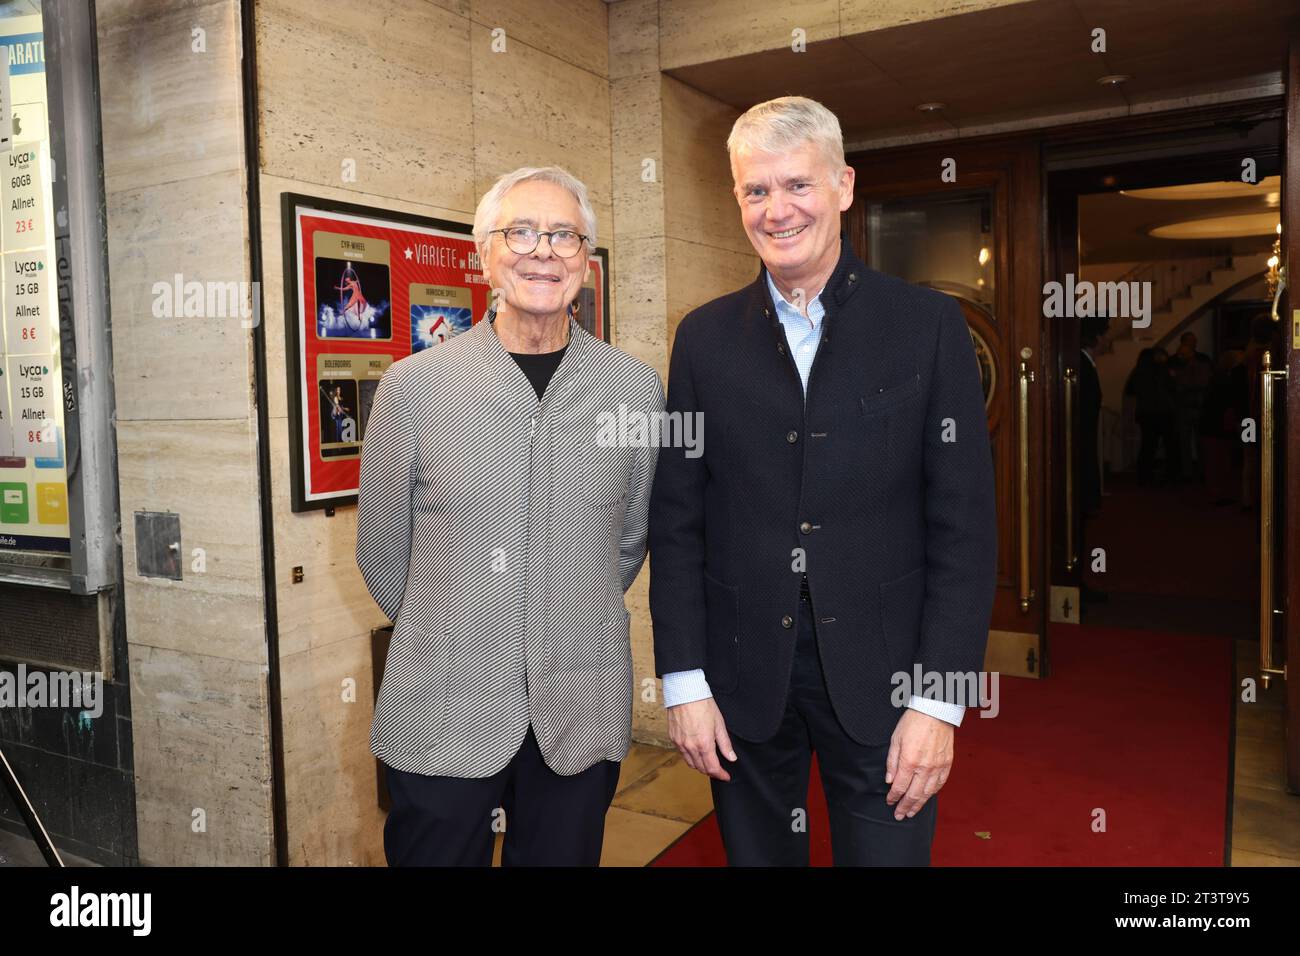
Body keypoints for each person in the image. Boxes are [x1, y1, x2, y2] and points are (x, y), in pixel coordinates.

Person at [648, 96, 997, 866]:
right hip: (742, 683)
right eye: (756, 191)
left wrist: (940, 703)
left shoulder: (929, 327)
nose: (777, 210)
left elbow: (964, 528)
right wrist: (683, 680)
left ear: (843, 185)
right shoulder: (703, 338)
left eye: (797, 185)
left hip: (889, 682)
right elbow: (677, 520)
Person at [357, 166, 664, 866]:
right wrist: (460, 626)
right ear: (483, 255)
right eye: (520, 232)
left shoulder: (634, 391)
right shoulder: (415, 389)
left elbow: (629, 540)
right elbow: (382, 552)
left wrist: (555, 612)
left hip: (577, 709)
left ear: (585, 260)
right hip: (444, 707)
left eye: (563, 236)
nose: (543, 251)